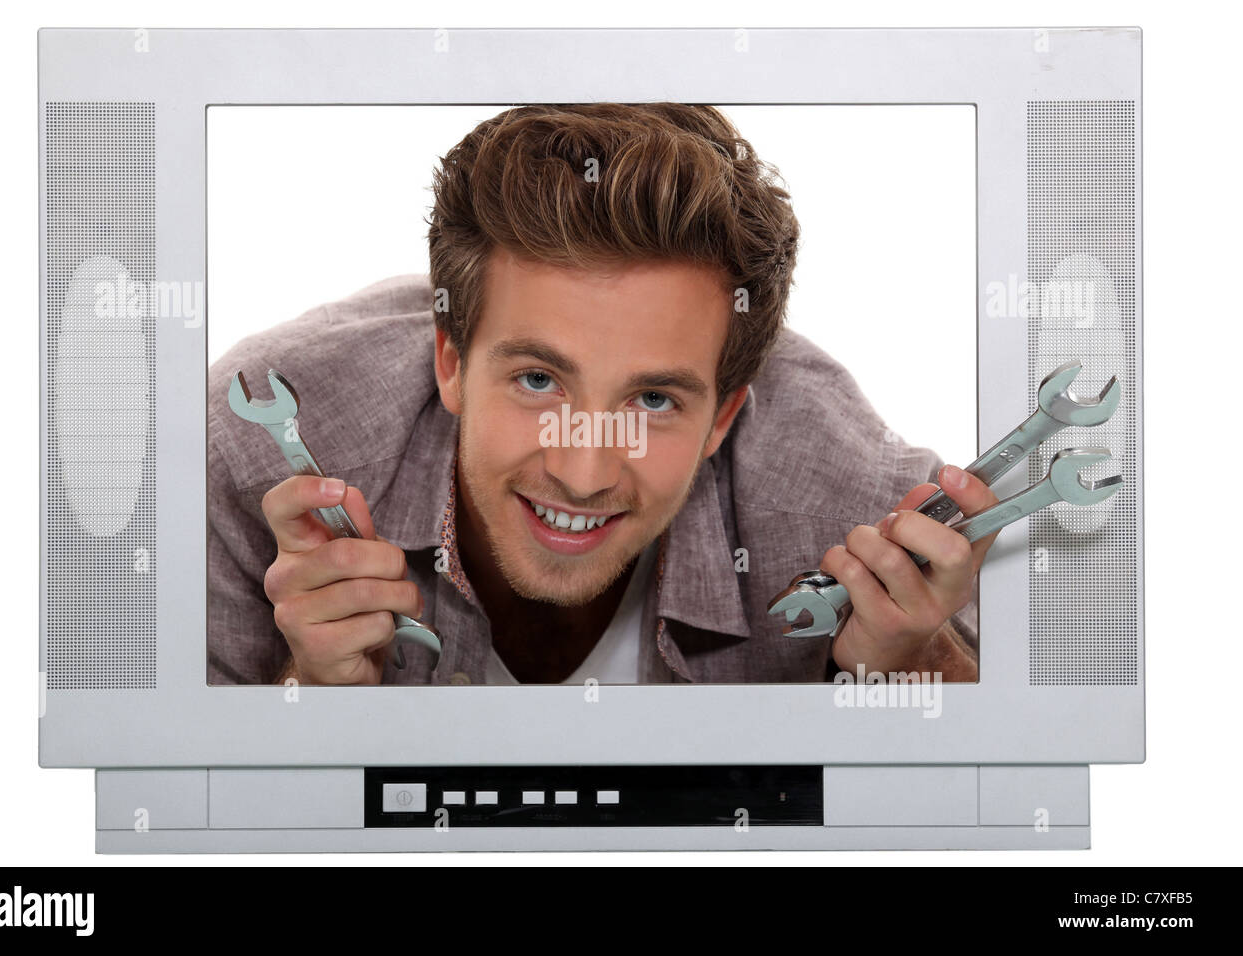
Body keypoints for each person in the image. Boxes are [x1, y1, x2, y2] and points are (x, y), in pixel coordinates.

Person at [206, 103, 989, 687]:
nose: (584, 475)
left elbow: (1014, 800)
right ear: (450, 360)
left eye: (652, 401)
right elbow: (176, 821)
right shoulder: (248, 450)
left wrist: (909, 662)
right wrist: (309, 696)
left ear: (723, 416)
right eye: (538, 381)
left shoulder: (855, 503)